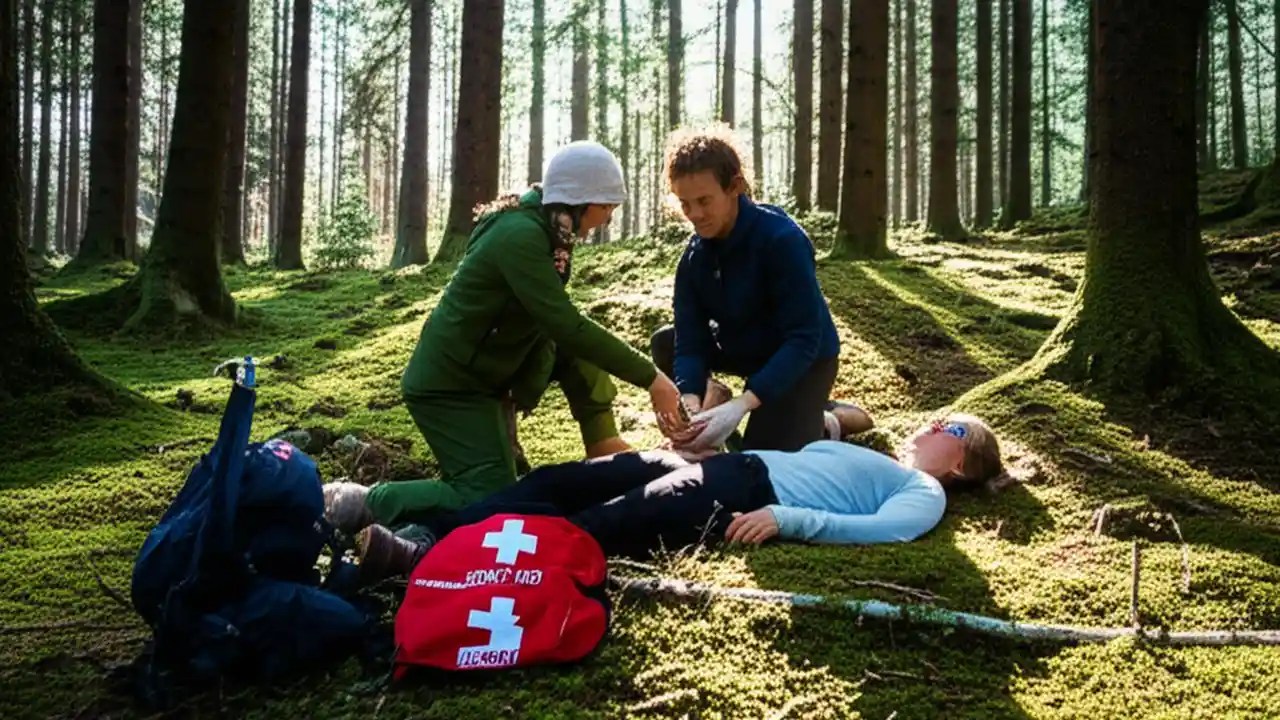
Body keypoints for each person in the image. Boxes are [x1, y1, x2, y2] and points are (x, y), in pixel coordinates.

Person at [394, 141, 688, 521]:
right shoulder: (520, 235)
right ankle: (363, 501)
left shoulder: (552, 229)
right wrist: (652, 378)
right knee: (489, 498)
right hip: (450, 386)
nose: (608, 219)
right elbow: (563, 324)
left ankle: (602, 441)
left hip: (492, 372)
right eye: (607, 207)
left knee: (581, 350)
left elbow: (560, 330)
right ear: (580, 201)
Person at [336, 414, 1006, 579]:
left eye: (949, 428)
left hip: (745, 492)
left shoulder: (924, 491)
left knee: (595, 524)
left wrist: (788, 518)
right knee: (557, 481)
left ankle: (424, 562)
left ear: (963, 462)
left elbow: (887, 530)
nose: (932, 425)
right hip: (718, 465)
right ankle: (436, 529)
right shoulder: (884, 458)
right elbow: (843, 417)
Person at [652, 126, 842, 454]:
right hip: (745, 350)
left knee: (763, 462)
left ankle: (827, 421)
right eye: (685, 204)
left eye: (704, 201)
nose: (694, 215)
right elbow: (690, 341)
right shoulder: (694, 257)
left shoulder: (781, 240)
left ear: (735, 187)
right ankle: (715, 421)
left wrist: (743, 403)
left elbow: (803, 338)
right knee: (664, 342)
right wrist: (690, 402)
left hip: (803, 361)